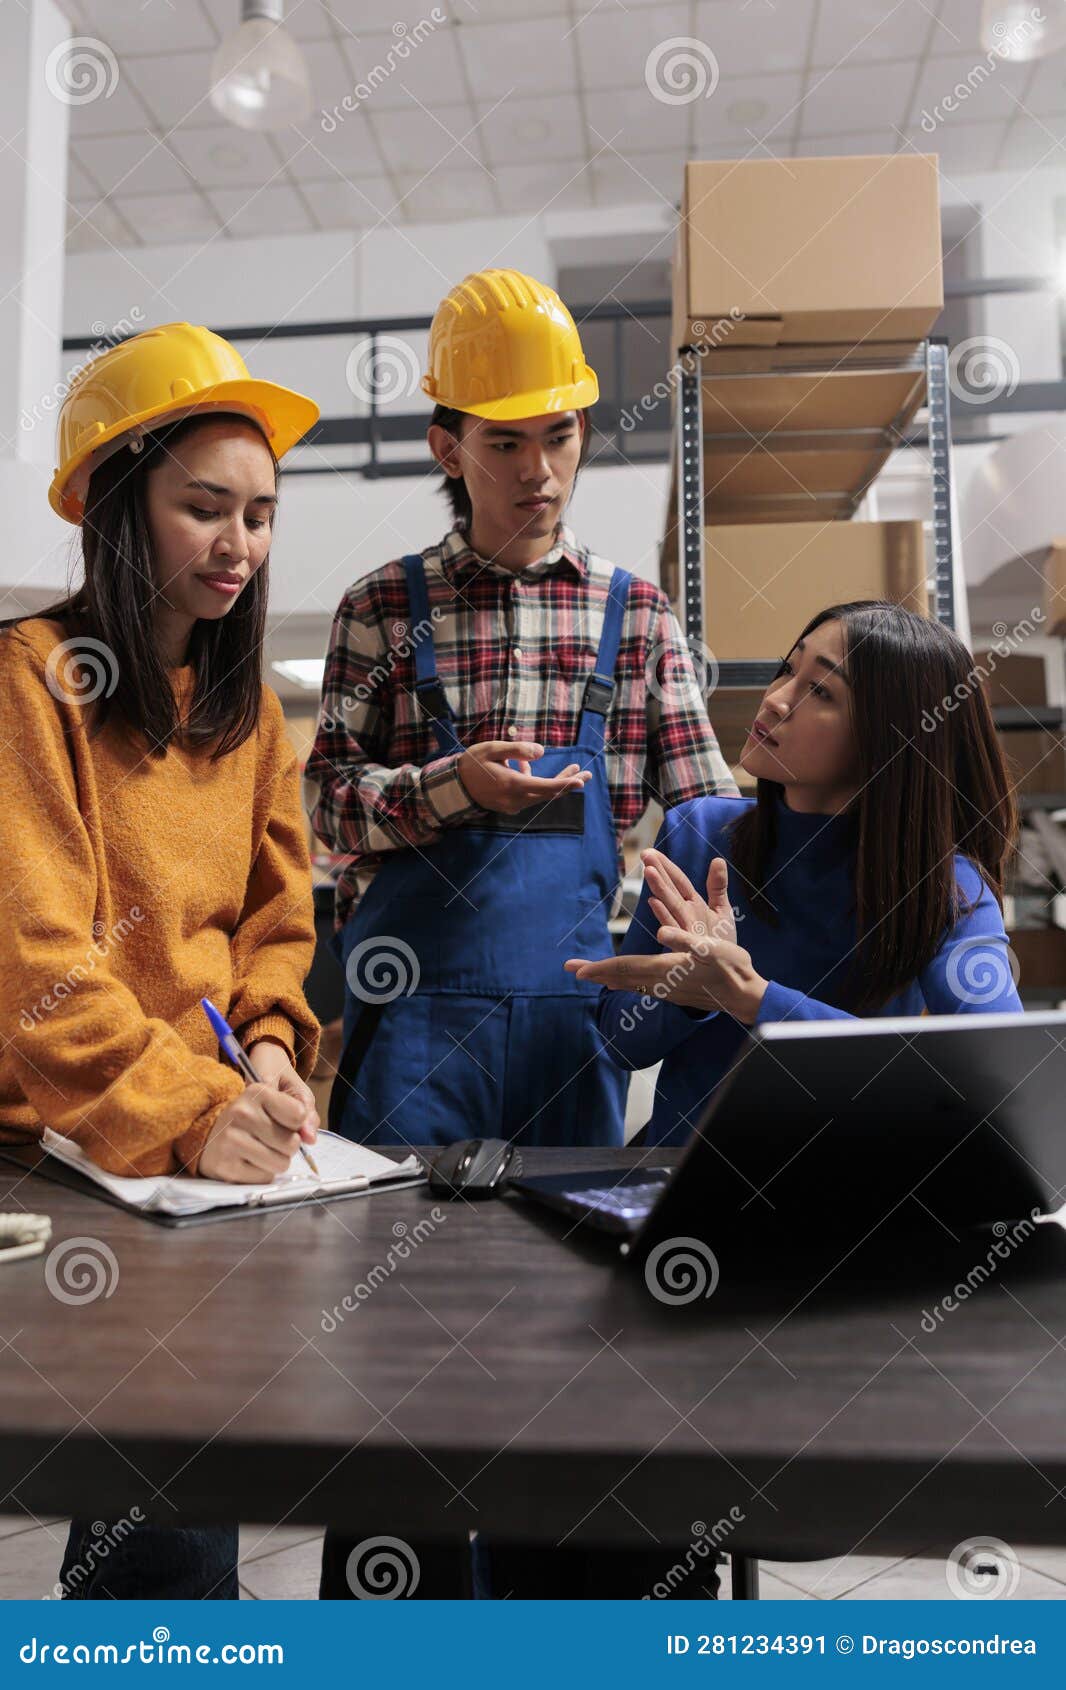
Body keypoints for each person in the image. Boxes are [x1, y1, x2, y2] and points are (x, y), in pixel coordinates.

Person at [306, 268, 737, 1597]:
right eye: (505, 440)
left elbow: (707, 806)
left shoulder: (636, 612)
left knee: (566, 1378)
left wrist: (772, 916)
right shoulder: (382, 607)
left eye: (559, 434)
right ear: (447, 444)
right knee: (403, 1392)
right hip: (412, 1053)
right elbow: (321, 797)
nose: (540, 467)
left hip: (565, 1051)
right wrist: (447, 790)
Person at [0, 321, 322, 1598]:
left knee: (191, 1483)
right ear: (122, 505)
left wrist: (276, 1052)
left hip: (203, 1150)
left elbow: (275, 926)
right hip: (59, 1146)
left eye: (259, 513)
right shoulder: (32, 682)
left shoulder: (251, 717)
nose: (239, 544)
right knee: (170, 1486)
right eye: (205, 508)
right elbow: (39, 965)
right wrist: (195, 1110)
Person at [569, 600, 1023, 1148]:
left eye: (822, 692)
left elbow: (1002, 1081)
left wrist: (752, 998)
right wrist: (685, 996)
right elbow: (623, 1043)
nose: (777, 699)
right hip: (680, 1187)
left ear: (891, 738)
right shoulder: (699, 832)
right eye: (789, 669)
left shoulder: (948, 888)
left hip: (841, 1198)